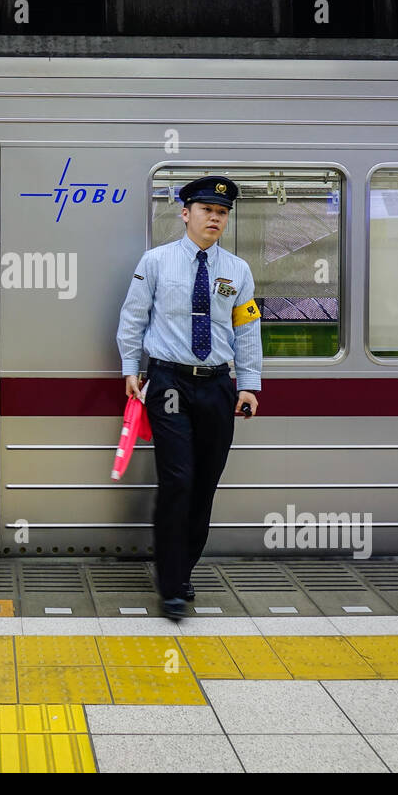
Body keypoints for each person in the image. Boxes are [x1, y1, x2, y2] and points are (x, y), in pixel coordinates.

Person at [116, 175, 263, 621]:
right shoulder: (156, 262)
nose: (214, 218)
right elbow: (133, 317)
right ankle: (172, 582)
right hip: (170, 384)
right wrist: (129, 367)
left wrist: (250, 384)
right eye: (206, 210)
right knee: (178, 479)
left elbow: (247, 329)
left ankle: (182, 570)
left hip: (218, 386)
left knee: (205, 484)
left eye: (221, 213)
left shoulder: (237, 270)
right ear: (186, 213)